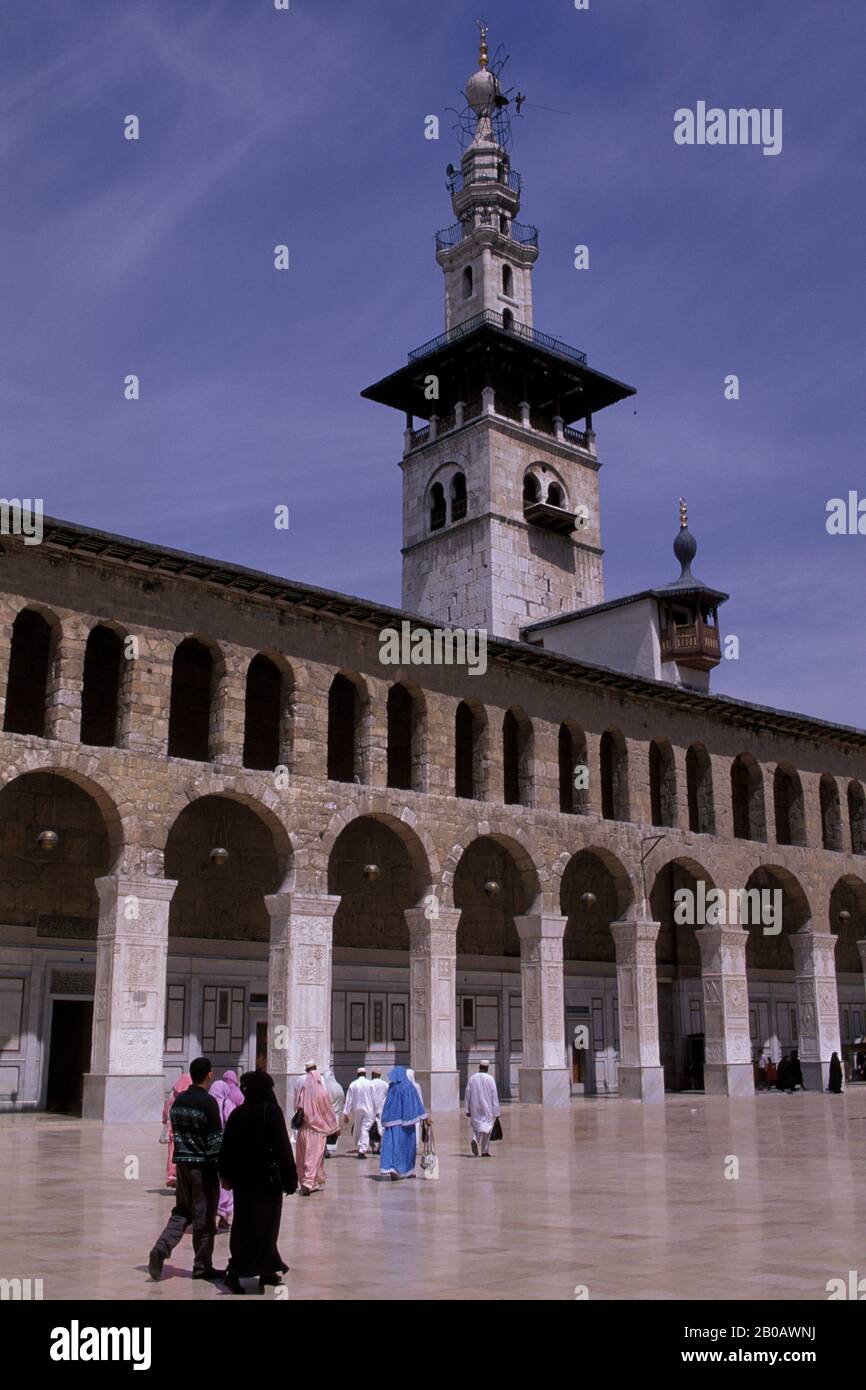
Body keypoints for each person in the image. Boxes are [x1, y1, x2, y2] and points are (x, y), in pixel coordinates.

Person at [218, 1070, 297, 1294]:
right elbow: (282, 1147)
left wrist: (225, 1175)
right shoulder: (271, 1111)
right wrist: (290, 1179)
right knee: (267, 1224)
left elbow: (227, 1149)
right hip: (267, 1181)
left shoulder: (238, 1113)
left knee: (246, 1223)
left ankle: (267, 1270)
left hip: (244, 1181)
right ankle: (235, 1271)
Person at [148, 1056, 223, 1282]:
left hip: (182, 1166)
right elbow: (214, 1141)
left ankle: (161, 1248)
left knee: (182, 1210)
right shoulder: (208, 1103)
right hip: (202, 1169)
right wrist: (220, 1169)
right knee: (204, 1217)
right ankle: (202, 1267)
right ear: (209, 1074)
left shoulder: (178, 1102)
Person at [293, 1061, 338, 1196]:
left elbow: (297, 1107)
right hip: (317, 1130)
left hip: (303, 1129)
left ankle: (311, 1182)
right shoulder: (322, 1094)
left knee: (302, 1156)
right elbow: (328, 1111)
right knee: (314, 1157)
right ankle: (308, 1182)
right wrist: (335, 1127)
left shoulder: (303, 1092)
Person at [209, 1068, 244, 1229]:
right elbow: (235, 1125)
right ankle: (223, 1216)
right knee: (225, 1181)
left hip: (209, 1148)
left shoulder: (207, 1104)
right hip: (225, 1148)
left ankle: (209, 1216)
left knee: (210, 1181)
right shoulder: (227, 1103)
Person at [379, 1065, 427, 1181]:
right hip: (406, 1124)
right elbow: (416, 1102)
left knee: (393, 1147)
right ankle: (406, 1171)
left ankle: (393, 1170)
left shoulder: (392, 1087)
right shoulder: (408, 1086)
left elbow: (387, 1104)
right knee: (406, 1148)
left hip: (392, 1123)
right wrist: (424, 1117)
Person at [162, 1071, 191, 1188]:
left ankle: (173, 1176)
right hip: (186, 1133)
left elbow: (165, 1111)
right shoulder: (190, 1097)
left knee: (172, 1154)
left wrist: (165, 1121)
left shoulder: (172, 1095)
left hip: (173, 1131)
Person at [465, 1060, 501, 1157]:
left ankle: (475, 1139)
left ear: (479, 1067)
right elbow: (494, 1096)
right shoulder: (490, 1079)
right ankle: (484, 1151)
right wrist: (496, 1112)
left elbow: (467, 1094)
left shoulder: (472, 1078)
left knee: (477, 1126)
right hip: (487, 1107)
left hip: (475, 1107)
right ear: (487, 1068)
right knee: (487, 1129)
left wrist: (467, 1109)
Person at [343, 1067, 377, 1158]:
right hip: (368, 1109)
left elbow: (348, 1100)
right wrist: (377, 1110)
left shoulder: (353, 1084)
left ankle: (360, 1146)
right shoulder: (370, 1084)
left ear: (357, 1075)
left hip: (357, 1109)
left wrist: (346, 1113)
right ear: (365, 1074)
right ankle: (362, 1150)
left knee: (358, 1127)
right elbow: (374, 1099)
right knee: (365, 1129)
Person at [323, 1070, 345, 1157]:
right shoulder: (338, 1086)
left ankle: (327, 1150)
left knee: (327, 1132)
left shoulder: (326, 1087)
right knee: (334, 1131)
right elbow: (342, 1098)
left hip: (327, 1113)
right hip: (335, 1113)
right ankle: (331, 1151)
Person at [369, 1069, 388, 1154]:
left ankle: (375, 1148)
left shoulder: (370, 1083)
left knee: (372, 1129)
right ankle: (382, 1147)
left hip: (372, 1109)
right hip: (383, 1109)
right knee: (382, 1129)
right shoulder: (385, 1084)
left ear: (373, 1074)